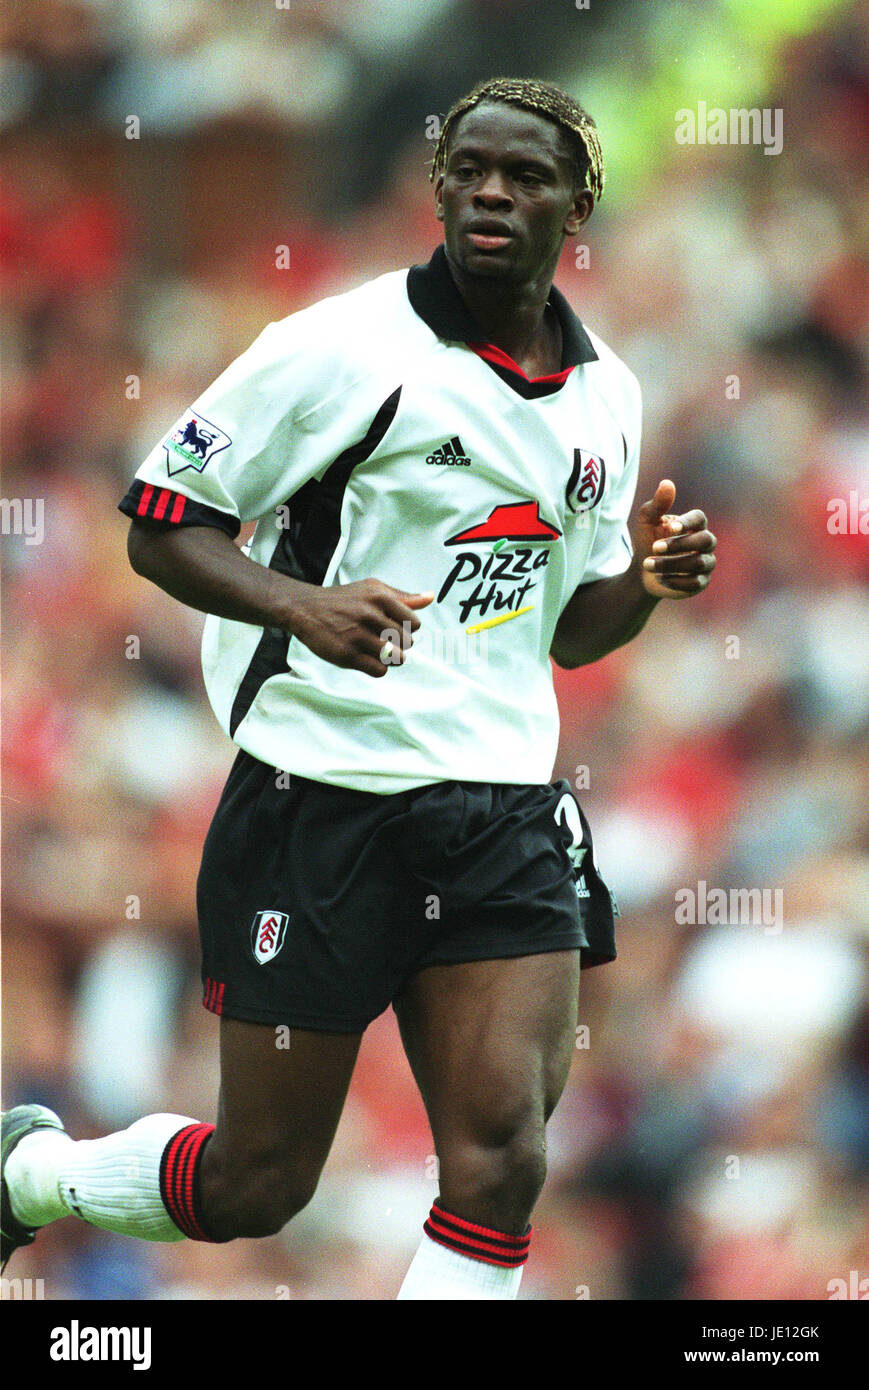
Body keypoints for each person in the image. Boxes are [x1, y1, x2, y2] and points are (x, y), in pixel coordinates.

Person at [1, 76, 716, 1300]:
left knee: (499, 1161)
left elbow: (570, 633)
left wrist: (644, 582)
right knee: (259, 1184)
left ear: (577, 205)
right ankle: (35, 1173)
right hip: (319, 798)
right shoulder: (335, 349)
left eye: (527, 176)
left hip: (497, 809)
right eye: (470, 171)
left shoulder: (609, 397)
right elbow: (160, 525)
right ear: (438, 188)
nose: (492, 192)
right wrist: (301, 606)